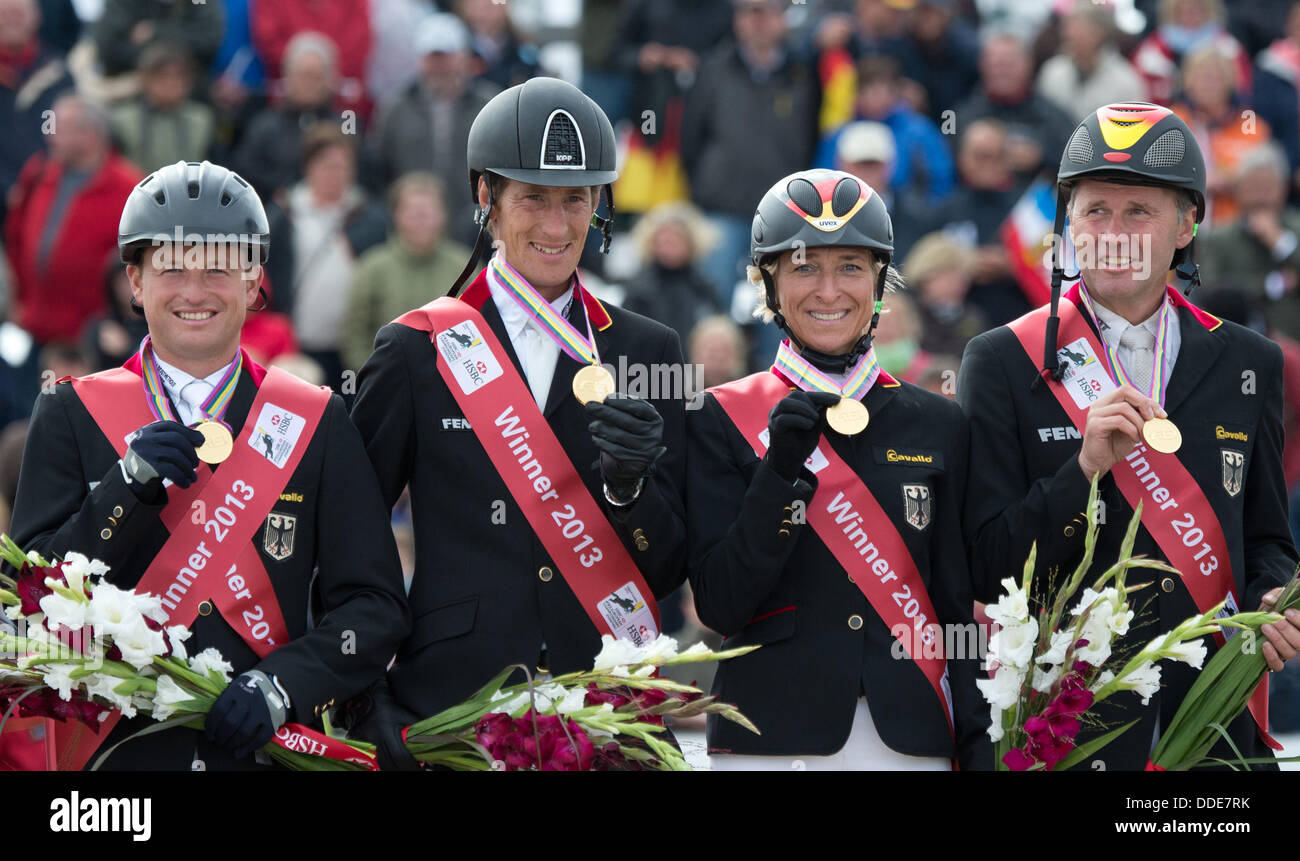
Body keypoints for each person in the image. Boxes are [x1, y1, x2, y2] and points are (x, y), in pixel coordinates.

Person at [8, 159, 410, 770]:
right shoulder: (68, 412)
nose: (195, 292)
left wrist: (282, 686)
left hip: (262, 751)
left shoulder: (316, 419)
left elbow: (373, 607)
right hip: (117, 760)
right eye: (171, 269)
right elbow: (25, 605)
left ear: (253, 284)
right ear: (135, 284)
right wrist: (124, 490)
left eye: (219, 268)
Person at [349, 78, 689, 769]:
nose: (557, 227)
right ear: (487, 199)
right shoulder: (416, 348)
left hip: (606, 703)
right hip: (449, 704)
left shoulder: (649, 350)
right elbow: (352, 535)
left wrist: (628, 494)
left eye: (575, 199)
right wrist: (363, 690)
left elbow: (673, 561)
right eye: (533, 198)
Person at [957, 102, 1300, 770]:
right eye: (1095, 211)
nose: (1114, 233)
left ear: (1186, 225)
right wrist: (1081, 469)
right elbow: (984, 562)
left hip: (1213, 720)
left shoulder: (1249, 360)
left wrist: (1272, 600)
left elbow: (1267, 540)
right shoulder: (1000, 358)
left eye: (1138, 212)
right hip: (1064, 725)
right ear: (1069, 228)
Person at [687, 167, 988, 770]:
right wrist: (778, 476)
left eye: (850, 267)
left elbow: (960, 607)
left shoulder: (941, 424)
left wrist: (978, 739)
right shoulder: (720, 417)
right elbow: (720, 605)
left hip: (912, 734)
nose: (829, 291)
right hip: (770, 738)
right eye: (803, 267)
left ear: (880, 281)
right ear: (767, 283)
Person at [4, 93, 142, 346]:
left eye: (60, 129)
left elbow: (137, 261)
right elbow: (15, 235)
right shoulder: (39, 172)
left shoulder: (128, 188)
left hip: (91, 338)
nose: (50, 136)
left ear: (90, 135)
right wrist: (18, 300)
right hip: (33, 326)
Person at [264, 123, 388, 392]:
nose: (334, 174)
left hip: (354, 348)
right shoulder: (283, 215)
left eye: (342, 166)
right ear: (308, 166)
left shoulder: (371, 218)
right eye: (326, 165)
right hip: (299, 343)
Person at [342, 172, 472, 374]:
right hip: (387, 382)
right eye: (412, 212)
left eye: (427, 212)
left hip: (452, 384)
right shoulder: (372, 267)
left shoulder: (466, 267)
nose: (420, 220)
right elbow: (354, 332)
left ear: (443, 215)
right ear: (396, 216)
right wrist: (372, 375)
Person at [1197, 142, 1300, 341]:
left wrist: (1282, 244)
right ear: (1238, 190)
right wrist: (1272, 285)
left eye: (1268, 186)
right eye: (1253, 186)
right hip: (1239, 343)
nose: (1261, 195)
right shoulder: (1219, 237)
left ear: (1283, 188)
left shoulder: (1296, 227)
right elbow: (1209, 290)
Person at [109, 42, 215, 173]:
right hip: (135, 191)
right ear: (145, 79)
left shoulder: (203, 119)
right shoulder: (121, 119)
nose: (171, 83)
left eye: (179, 76)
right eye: (162, 76)